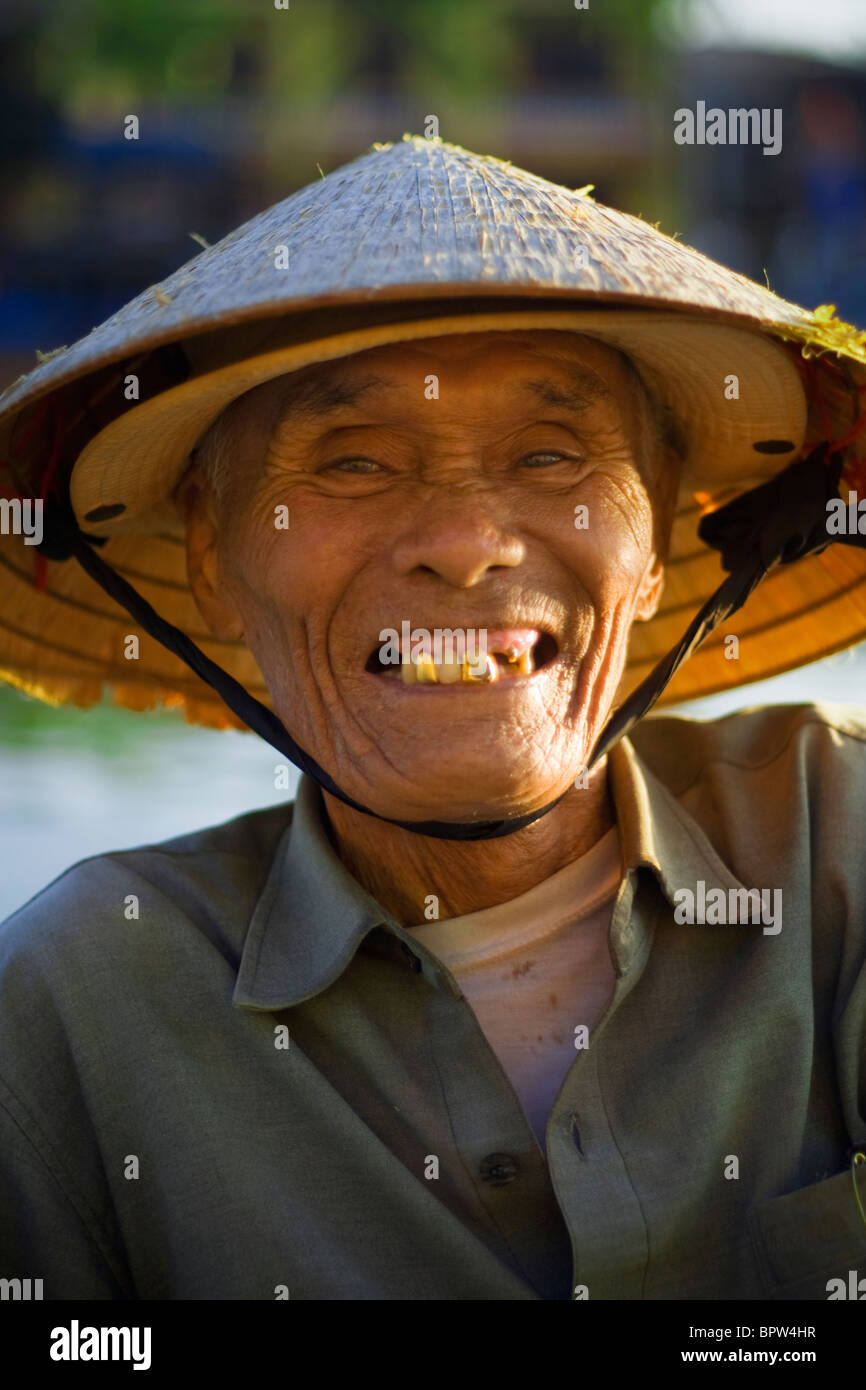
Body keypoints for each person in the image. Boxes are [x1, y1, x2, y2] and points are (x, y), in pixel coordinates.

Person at [0, 137, 864, 1301]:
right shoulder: (74, 1002)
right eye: (353, 462)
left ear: (655, 539)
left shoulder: (842, 843)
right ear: (214, 557)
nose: (466, 544)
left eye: (550, 453)